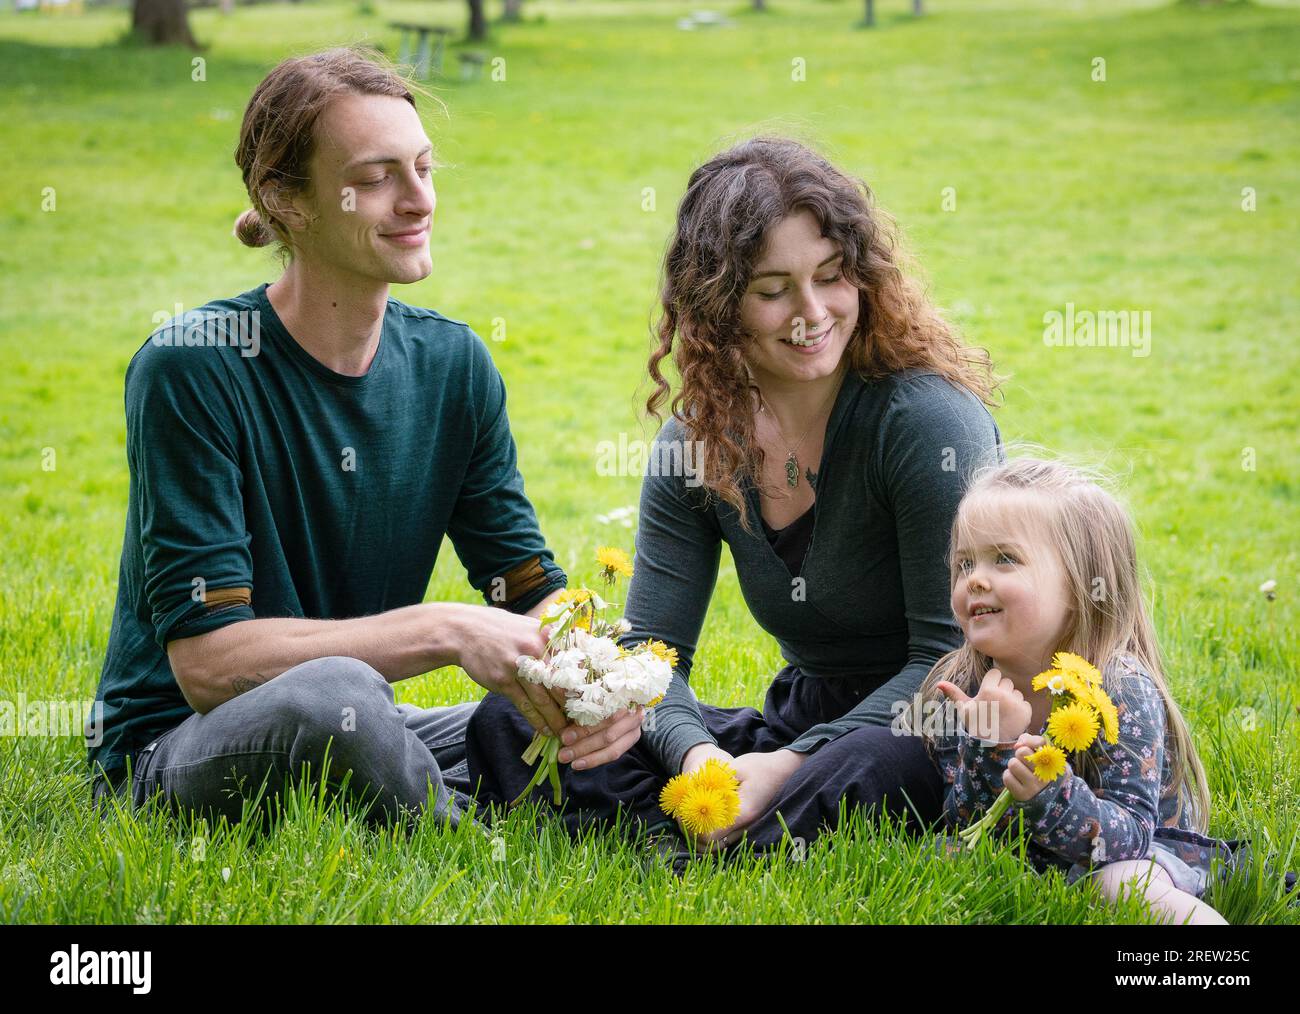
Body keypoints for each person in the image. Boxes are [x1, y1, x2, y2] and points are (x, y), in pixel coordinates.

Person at [86, 47, 641, 829]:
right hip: (184, 743)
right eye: (377, 178)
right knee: (334, 696)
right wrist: (447, 628)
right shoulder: (194, 366)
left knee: (545, 720)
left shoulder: (453, 364)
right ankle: (473, 846)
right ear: (289, 200)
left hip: (369, 727)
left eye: (424, 167)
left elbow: (525, 589)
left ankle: (750, 777)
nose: (419, 200)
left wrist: (605, 681)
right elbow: (209, 667)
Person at [466, 136, 1002, 852]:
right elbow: (652, 656)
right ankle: (726, 835)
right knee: (517, 721)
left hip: (931, 719)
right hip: (798, 718)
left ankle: (695, 840)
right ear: (719, 308)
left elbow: (950, 658)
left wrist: (786, 767)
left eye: (832, 276)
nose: (811, 312)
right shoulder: (697, 444)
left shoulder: (923, 423)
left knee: (869, 767)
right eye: (773, 292)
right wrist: (698, 760)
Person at [915, 457, 1233, 923]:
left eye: (1005, 559)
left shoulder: (1119, 688)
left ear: (1082, 585)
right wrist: (991, 746)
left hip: (1137, 856)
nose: (974, 578)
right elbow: (966, 825)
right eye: (964, 562)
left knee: (1117, 885)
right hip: (1027, 857)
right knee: (939, 859)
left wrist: (1048, 792)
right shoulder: (959, 685)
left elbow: (1130, 838)